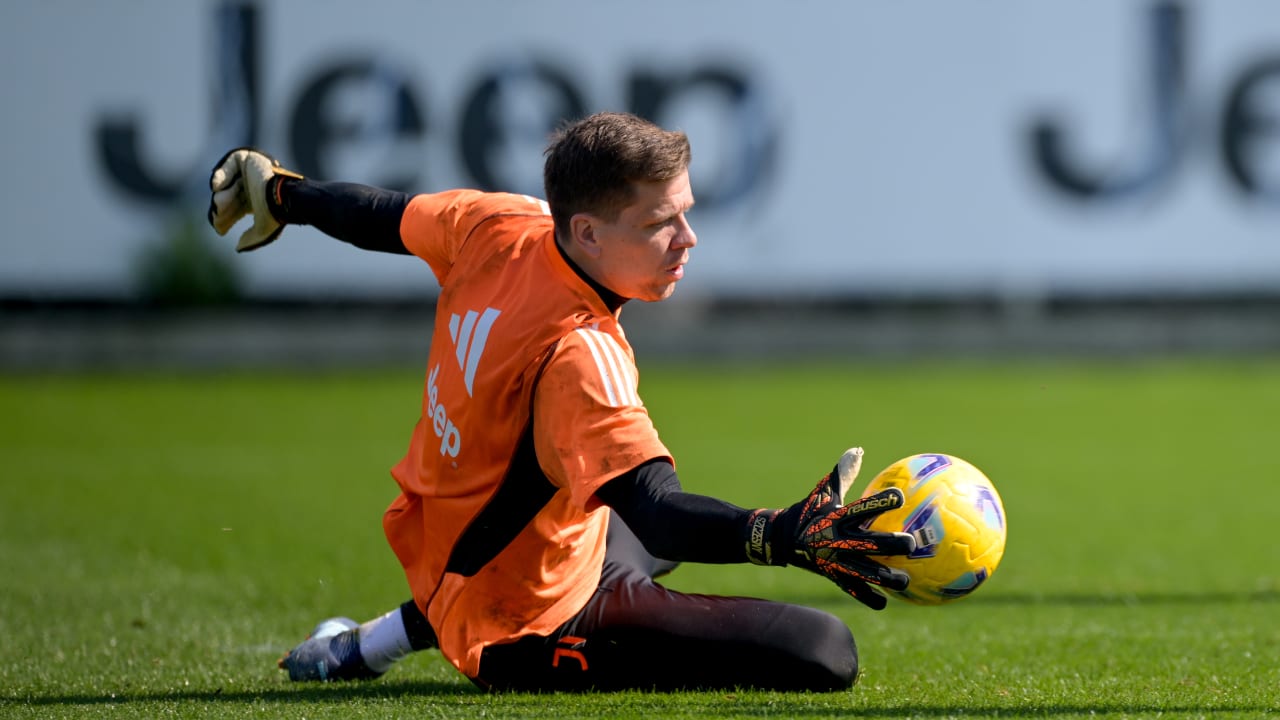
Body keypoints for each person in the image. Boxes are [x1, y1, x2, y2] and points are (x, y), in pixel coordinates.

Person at [207, 111, 915, 692]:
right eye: (659, 224)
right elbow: (661, 517)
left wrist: (281, 195)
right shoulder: (580, 356)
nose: (687, 240)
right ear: (587, 231)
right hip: (526, 619)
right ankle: (421, 639)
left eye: (687, 213)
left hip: (453, 542)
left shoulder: (504, 225)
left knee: (624, 496)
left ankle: (371, 643)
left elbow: (380, 214)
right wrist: (783, 534)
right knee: (826, 648)